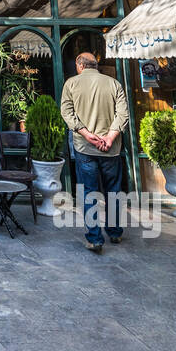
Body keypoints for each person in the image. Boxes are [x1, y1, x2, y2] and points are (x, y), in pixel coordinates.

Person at [60, 52, 129, 253]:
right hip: (111, 149)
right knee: (113, 191)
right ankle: (115, 232)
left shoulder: (71, 84)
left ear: (79, 65)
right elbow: (123, 114)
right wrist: (110, 137)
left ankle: (95, 238)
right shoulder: (113, 84)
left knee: (89, 192)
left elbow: (67, 112)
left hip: (85, 147)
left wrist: (86, 134)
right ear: (95, 66)